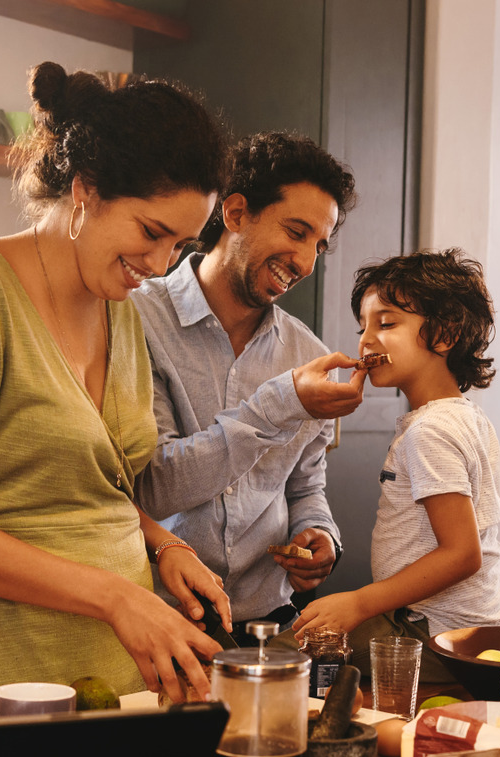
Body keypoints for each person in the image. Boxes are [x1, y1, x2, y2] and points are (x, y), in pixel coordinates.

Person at [0, 62, 232, 722]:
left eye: (181, 245)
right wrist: (116, 597)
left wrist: (162, 543)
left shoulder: (121, 311)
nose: (161, 265)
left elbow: (80, 487)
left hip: (106, 680)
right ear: (85, 189)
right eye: (151, 232)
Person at [132, 133, 361, 640]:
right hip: (160, 624)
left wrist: (320, 534)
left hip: (269, 627)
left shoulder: (307, 354)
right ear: (235, 213)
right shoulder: (136, 320)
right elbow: (153, 487)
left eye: (319, 246)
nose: (306, 262)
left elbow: (305, 486)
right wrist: (281, 403)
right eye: (296, 232)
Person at [289, 249, 500, 680]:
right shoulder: (464, 416)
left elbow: (462, 554)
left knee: (284, 660)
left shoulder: (429, 432)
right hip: (466, 629)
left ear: (444, 335)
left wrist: (358, 603)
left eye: (387, 323)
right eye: (363, 327)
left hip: (433, 633)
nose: (365, 341)